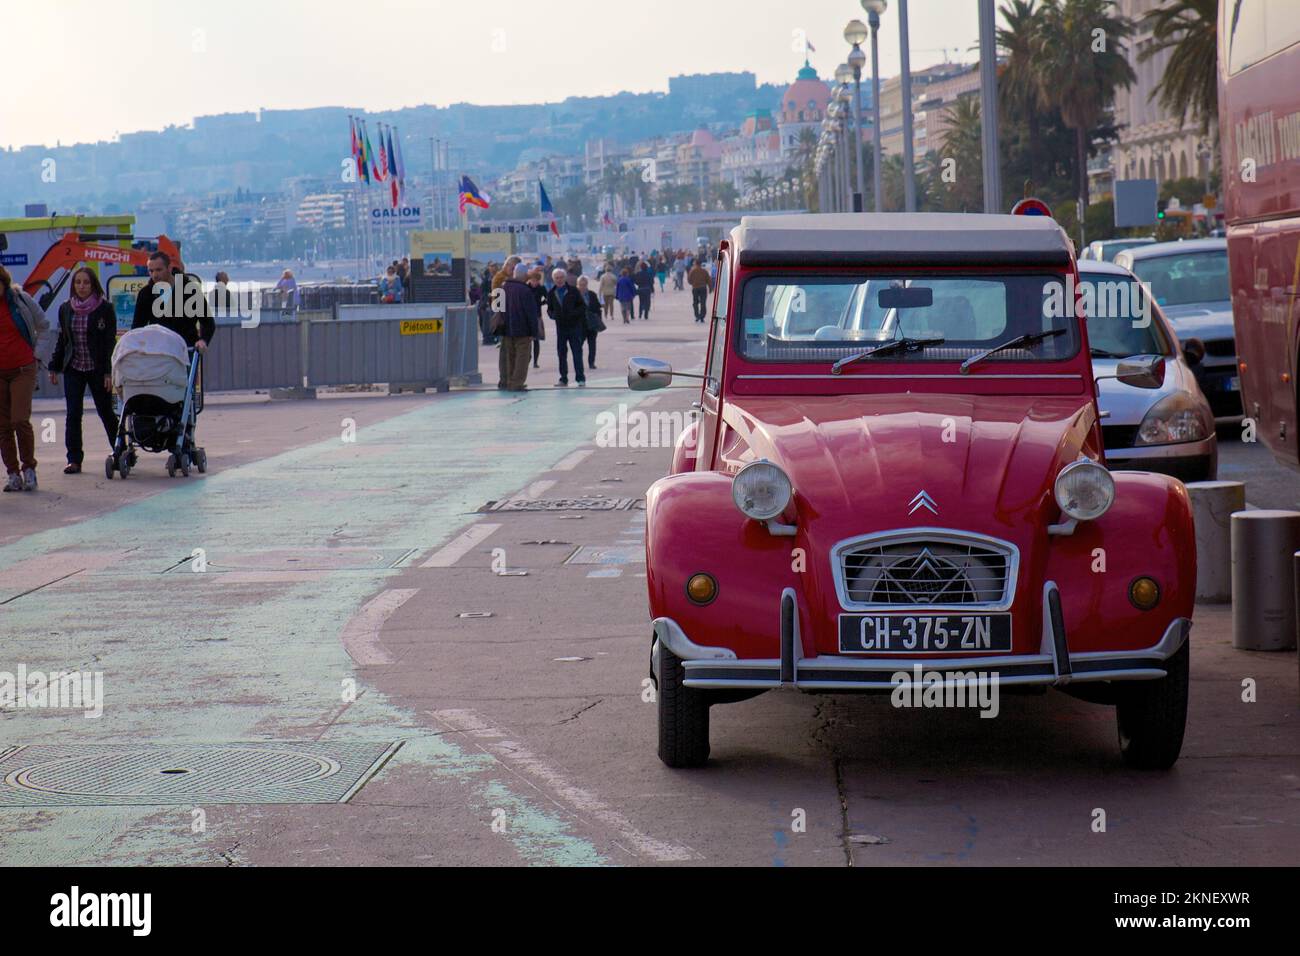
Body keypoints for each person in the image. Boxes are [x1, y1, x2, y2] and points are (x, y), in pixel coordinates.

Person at [48, 267, 118, 474]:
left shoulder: (105, 308)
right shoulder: (65, 308)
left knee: (105, 411)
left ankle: (121, 451)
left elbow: (108, 343)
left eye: (86, 282)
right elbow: (63, 341)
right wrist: (54, 366)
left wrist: (108, 373)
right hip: (74, 368)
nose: (81, 286)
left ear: (93, 284)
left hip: (97, 369)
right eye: (78, 282)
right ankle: (74, 460)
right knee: (73, 414)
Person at [0, 265, 49, 491]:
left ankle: (29, 468)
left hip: (22, 368)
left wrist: (36, 356)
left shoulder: (21, 300)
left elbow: (44, 326)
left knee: (19, 419)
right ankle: (13, 473)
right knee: (3, 425)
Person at [132, 251, 215, 350]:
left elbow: (208, 322)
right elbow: (137, 326)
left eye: (159, 270)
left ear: (169, 268)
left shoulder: (190, 290)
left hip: (186, 348)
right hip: (158, 351)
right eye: (151, 271)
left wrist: (203, 340)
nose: (154, 275)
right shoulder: (146, 293)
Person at [500, 263, 540, 391]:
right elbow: (531, 314)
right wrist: (534, 332)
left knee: (510, 357)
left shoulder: (504, 287)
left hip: (507, 329)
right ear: (524, 276)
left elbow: (497, 308)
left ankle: (509, 381)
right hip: (523, 330)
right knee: (522, 358)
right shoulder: (525, 290)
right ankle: (517, 383)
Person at [546, 268, 586, 387]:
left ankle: (580, 378)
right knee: (561, 354)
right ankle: (563, 378)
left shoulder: (573, 291)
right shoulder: (551, 293)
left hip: (574, 327)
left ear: (565, 278)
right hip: (561, 328)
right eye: (556, 278)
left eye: (561, 277)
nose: (559, 280)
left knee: (577, 353)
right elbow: (549, 309)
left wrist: (573, 314)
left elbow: (582, 307)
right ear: (553, 279)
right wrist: (553, 315)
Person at [577, 275, 604, 369]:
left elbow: (598, 308)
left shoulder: (592, 294)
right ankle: (578, 362)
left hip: (592, 325)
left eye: (584, 285)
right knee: (578, 345)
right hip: (580, 325)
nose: (582, 287)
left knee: (592, 345)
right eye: (580, 285)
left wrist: (598, 321)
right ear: (578, 285)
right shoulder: (574, 295)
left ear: (587, 285)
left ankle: (591, 363)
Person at [526, 269, 546, 368]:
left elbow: (548, 298)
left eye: (536, 280)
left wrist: (541, 303)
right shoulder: (526, 288)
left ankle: (535, 361)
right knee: (527, 340)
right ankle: (528, 358)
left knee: (536, 340)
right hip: (527, 317)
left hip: (537, 315)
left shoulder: (541, 288)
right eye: (533, 280)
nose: (534, 282)